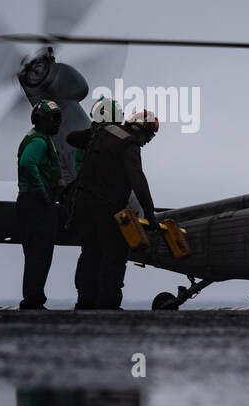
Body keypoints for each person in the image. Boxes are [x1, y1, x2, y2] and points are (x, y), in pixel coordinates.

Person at [67, 109, 159, 310]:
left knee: (90, 252)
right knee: (114, 254)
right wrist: (150, 212)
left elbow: (71, 138)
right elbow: (137, 179)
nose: (146, 142)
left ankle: (85, 302)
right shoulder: (129, 143)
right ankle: (108, 303)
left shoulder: (104, 130)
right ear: (139, 129)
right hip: (107, 208)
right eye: (148, 137)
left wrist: (94, 132)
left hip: (84, 205)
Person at [16, 100, 64, 310]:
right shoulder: (39, 142)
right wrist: (42, 191)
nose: (58, 123)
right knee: (39, 253)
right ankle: (33, 300)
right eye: (54, 118)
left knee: (38, 254)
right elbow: (27, 163)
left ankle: (34, 297)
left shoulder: (41, 138)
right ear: (41, 120)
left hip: (34, 203)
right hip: (36, 204)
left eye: (58, 118)